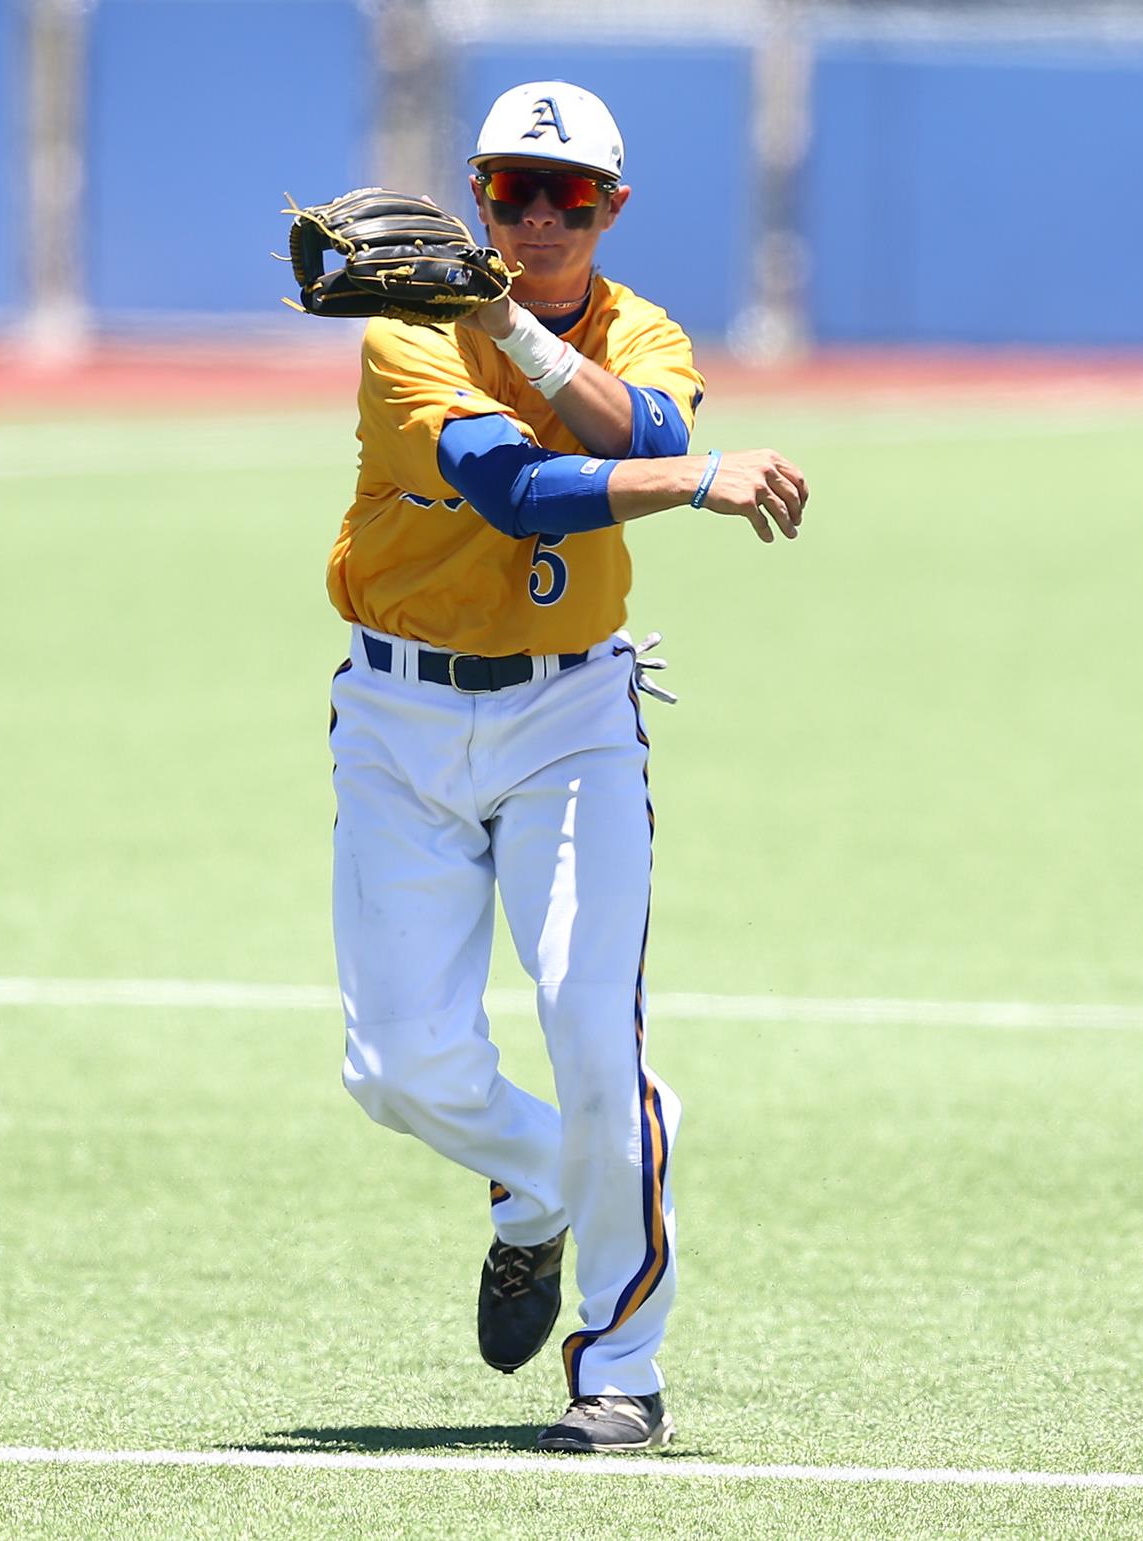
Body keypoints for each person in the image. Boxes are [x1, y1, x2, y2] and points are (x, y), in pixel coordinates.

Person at [324, 79, 809, 1454]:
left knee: (594, 1035)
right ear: (476, 197)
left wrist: (522, 333)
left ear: (612, 208)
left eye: (568, 195)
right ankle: (550, 1187)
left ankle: (623, 1367)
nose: (537, 215)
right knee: (395, 1069)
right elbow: (512, 486)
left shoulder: (640, 326)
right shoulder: (407, 333)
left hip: (573, 721)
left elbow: (638, 429)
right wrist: (699, 478)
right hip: (399, 717)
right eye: (510, 189)